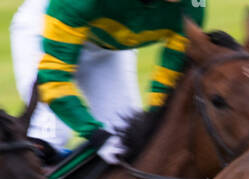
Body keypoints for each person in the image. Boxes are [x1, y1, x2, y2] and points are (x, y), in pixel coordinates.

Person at [9, 0, 204, 162]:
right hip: (46, 28)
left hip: (107, 50)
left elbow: (168, 82)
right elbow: (54, 79)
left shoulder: (193, 6)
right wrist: (94, 134)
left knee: (128, 141)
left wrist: (155, 131)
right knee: (51, 135)